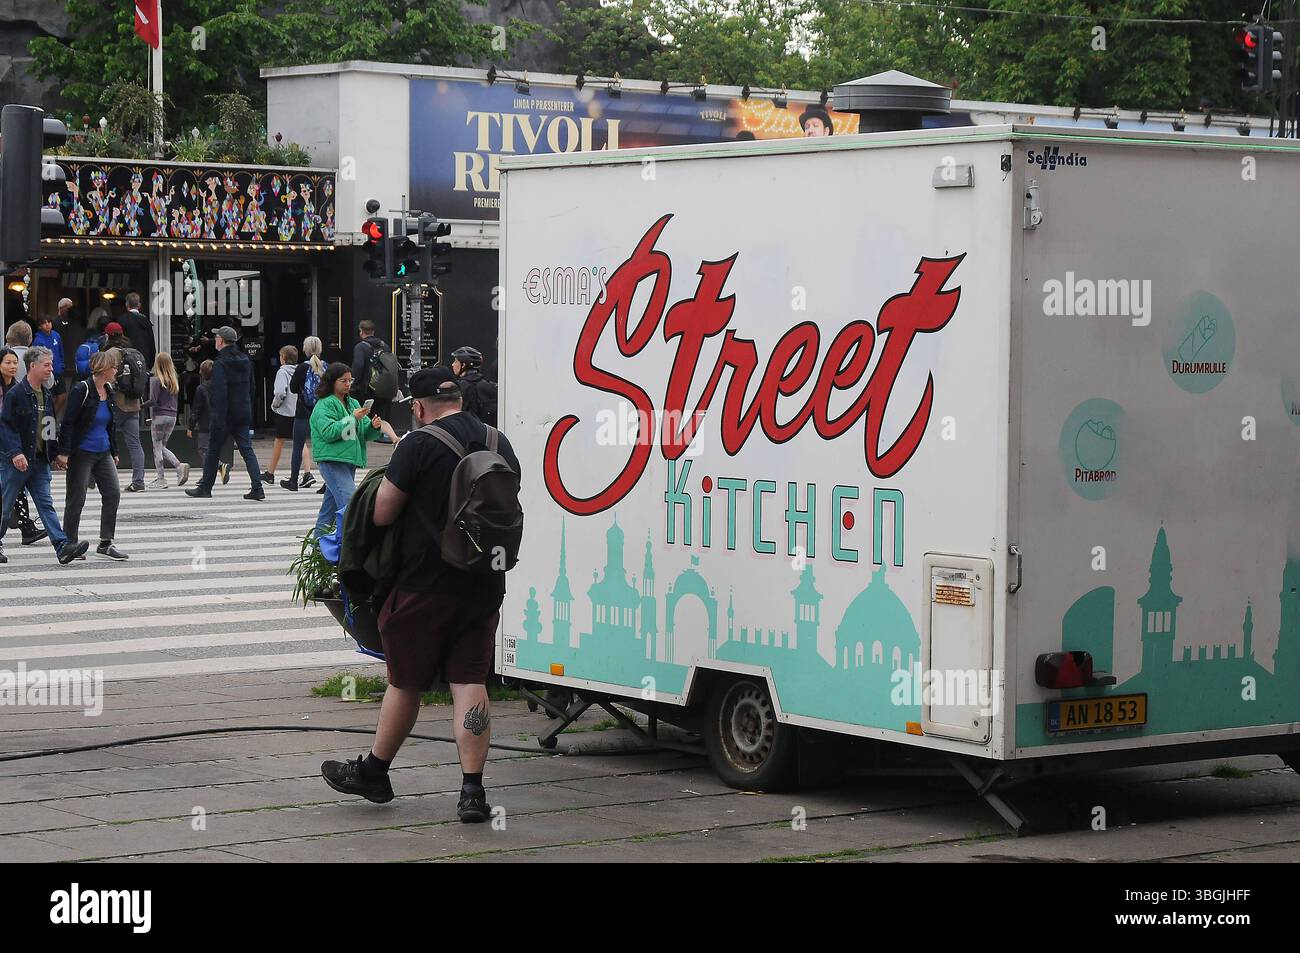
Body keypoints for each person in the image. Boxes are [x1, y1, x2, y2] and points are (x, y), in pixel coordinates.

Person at [320, 367, 520, 822]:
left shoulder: (418, 444)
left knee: (406, 680)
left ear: (418, 406)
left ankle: (375, 771)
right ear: (458, 399)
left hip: (423, 584)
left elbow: (384, 512)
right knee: (469, 679)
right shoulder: (497, 441)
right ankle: (472, 792)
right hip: (484, 582)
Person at [0, 346, 90, 565]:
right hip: (16, 462)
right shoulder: (16, 394)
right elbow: (6, 426)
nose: (51, 369)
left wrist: (56, 453)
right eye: (47, 365)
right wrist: (15, 453)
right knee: (4, 506)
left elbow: (48, 425)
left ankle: (62, 546)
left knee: (45, 504)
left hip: (39, 461)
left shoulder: (47, 394)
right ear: (33, 366)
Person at [308, 361, 397, 537]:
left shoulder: (353, 403)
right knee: (350, 505)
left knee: (330, 509)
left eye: (350, 380)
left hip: (348, 460)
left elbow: (363, 433)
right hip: (332, 459)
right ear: (332, 381)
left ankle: (319, 548)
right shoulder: (325, 404)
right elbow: (328, 432)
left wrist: (373, 426)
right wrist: (352, 418)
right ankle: (346, 548)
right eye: (344, 380)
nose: (348, 384)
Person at [60, 349, 127, 560]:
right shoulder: (83, 389)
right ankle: (70, 543)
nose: (117, 370)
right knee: (76, 497)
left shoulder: (108, 389)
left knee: (113, 493)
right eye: (114, 366)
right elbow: (68, 421)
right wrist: (64, 452)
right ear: (104, 369)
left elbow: (111, 424)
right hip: (82, 452)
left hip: (103, 451)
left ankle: (106, 542)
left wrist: (114, 451)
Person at [185, 326, 263, 500]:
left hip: (225, 414)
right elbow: (252, 388)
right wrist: (247, 407)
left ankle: (206, 487)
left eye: (217, 337)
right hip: (243, 411)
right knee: (247, 450)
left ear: (221, 340)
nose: (215, 340)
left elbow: (219, 392)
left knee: (213, 450)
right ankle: (258, 487)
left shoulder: (220, 363)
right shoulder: (245, 360)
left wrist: (218, 417)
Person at [0, 346, 48, 550]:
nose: (12, 366)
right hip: (6, 445)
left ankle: (25, 526)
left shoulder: (18, 388)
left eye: (14, 362)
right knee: (8, 489)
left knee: (15, 486)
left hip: (12, 446)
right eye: (7, 362)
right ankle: (24, 526)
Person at [104, 322, 148, 492]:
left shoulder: (110, 353)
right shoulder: (133, 351)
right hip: (134, 403)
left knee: (105, 439)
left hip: (117, 402)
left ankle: (102, 479)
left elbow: (104, 375)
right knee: (135, 444)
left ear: (108, 336)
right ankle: (138, 481)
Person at [280, 336, 320, 491]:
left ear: (305, 349)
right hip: (320, 411)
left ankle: (293, 481)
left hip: (303, 410)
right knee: (323, 446)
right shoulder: (325, 366)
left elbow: (294, 389)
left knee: (297, 446)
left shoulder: (302, 367)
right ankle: (327, 483)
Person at [145, 351, 189, 488]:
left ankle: (163, 477)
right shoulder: (174, 379)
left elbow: (153, 400)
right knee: (162, 446)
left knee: (157, 447)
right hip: (172, 416)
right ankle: (178, 467)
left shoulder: (156, 379)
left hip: (159, 415)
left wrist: (139, 406)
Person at [186, 360, 231, 486]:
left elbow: (196, 409)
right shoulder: (222, 386)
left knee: (204, 450)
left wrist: (191, 426)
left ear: (202, 373)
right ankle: (206, 475)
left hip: (206, 424)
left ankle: (220, 466)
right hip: (220, 422)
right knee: (212, 449)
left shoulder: (201, 389)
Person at [263, 345, 298, 485]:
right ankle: (307, 472)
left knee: (279, 441)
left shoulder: (282, 372)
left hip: (285, 411)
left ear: (283, 358)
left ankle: (270, 473)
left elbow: (279, 392)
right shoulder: (299, 370)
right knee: (299, 442)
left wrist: (275, 405)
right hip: (298, 410)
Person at [351, 320, 394, 431]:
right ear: (373, 331)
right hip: (383, 387)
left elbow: (358, 367)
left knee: (363, 416)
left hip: (366, 389)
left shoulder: (361, 347)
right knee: (379, 416)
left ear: (361, 331)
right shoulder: (385, 346)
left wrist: (353, 385)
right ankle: (381, 434)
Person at [450, 345, 498, 427]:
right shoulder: (491, 386)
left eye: (456, 361)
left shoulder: (458, 388)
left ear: (463, 365)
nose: (452, 364)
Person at [31, 315, 67, 417]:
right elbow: (36, 358)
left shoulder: (56, 335)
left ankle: (51, 417)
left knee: (62, 396)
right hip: (46, 373)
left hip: (58, 371)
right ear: (39, 326)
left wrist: (62, 365)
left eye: (49, 322)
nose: (47, 324)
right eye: (44, 323)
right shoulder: (38, 340)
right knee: (49, 398)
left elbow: (61, 352)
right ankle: (46, 420)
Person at [117, 291, 156, 369]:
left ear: (126, 305)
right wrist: (149, 365)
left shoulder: (122, 320)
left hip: (127, 362)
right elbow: (152, 346)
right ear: (139, 305)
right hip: (144, 361)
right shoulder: (145, 321)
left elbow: (118, 343)